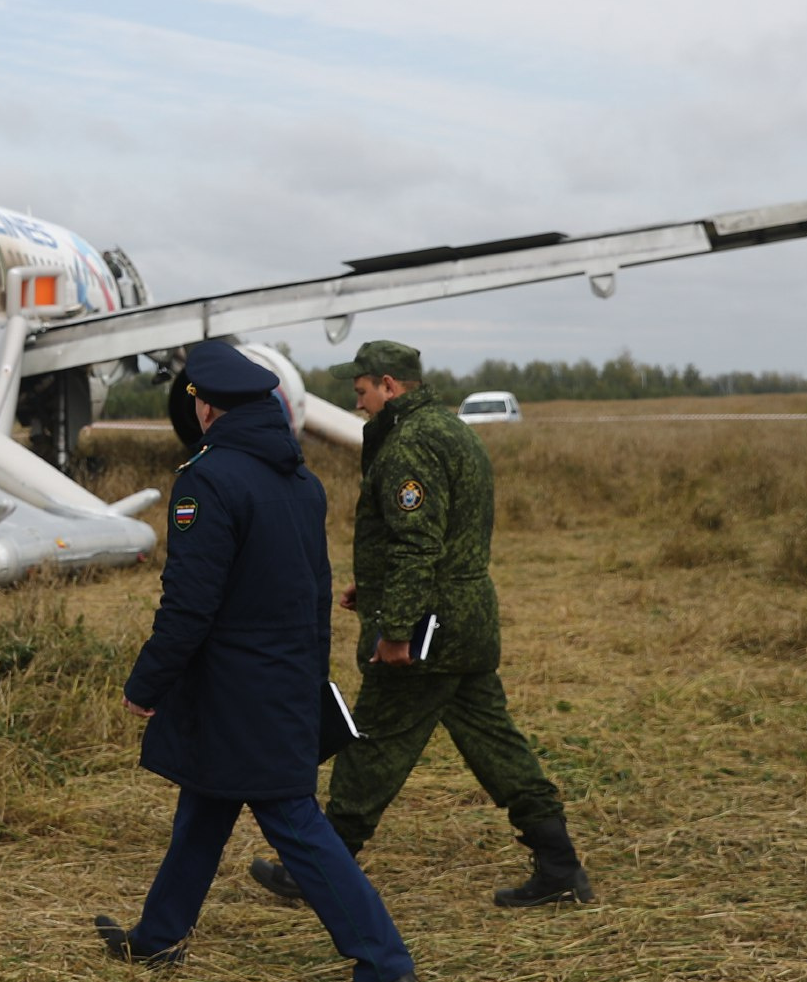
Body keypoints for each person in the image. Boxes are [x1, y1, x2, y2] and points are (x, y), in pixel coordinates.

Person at [95, 340, 421, 982]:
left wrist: (147, 683)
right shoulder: (301, 481)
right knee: (205, 805)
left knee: (293, 821)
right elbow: (313, 591)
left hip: (235, 691)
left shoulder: (208, 481)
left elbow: (190, 603)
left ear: (208, 408)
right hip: (281, 680)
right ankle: (157, 936)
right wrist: (312, 675)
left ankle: (385, 966)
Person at [248, 338, 594, 910]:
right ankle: (559, 865)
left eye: (362, 390)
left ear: (389, 385)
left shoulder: (410, 443)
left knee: (371, 746)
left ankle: (318, 872)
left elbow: (417, 543)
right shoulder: (451, 430)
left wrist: (397, 629)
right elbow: (444, 535)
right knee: (496, 746)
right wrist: (375, 586)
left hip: (429, 633)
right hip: (466, 622)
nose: (358, 403)